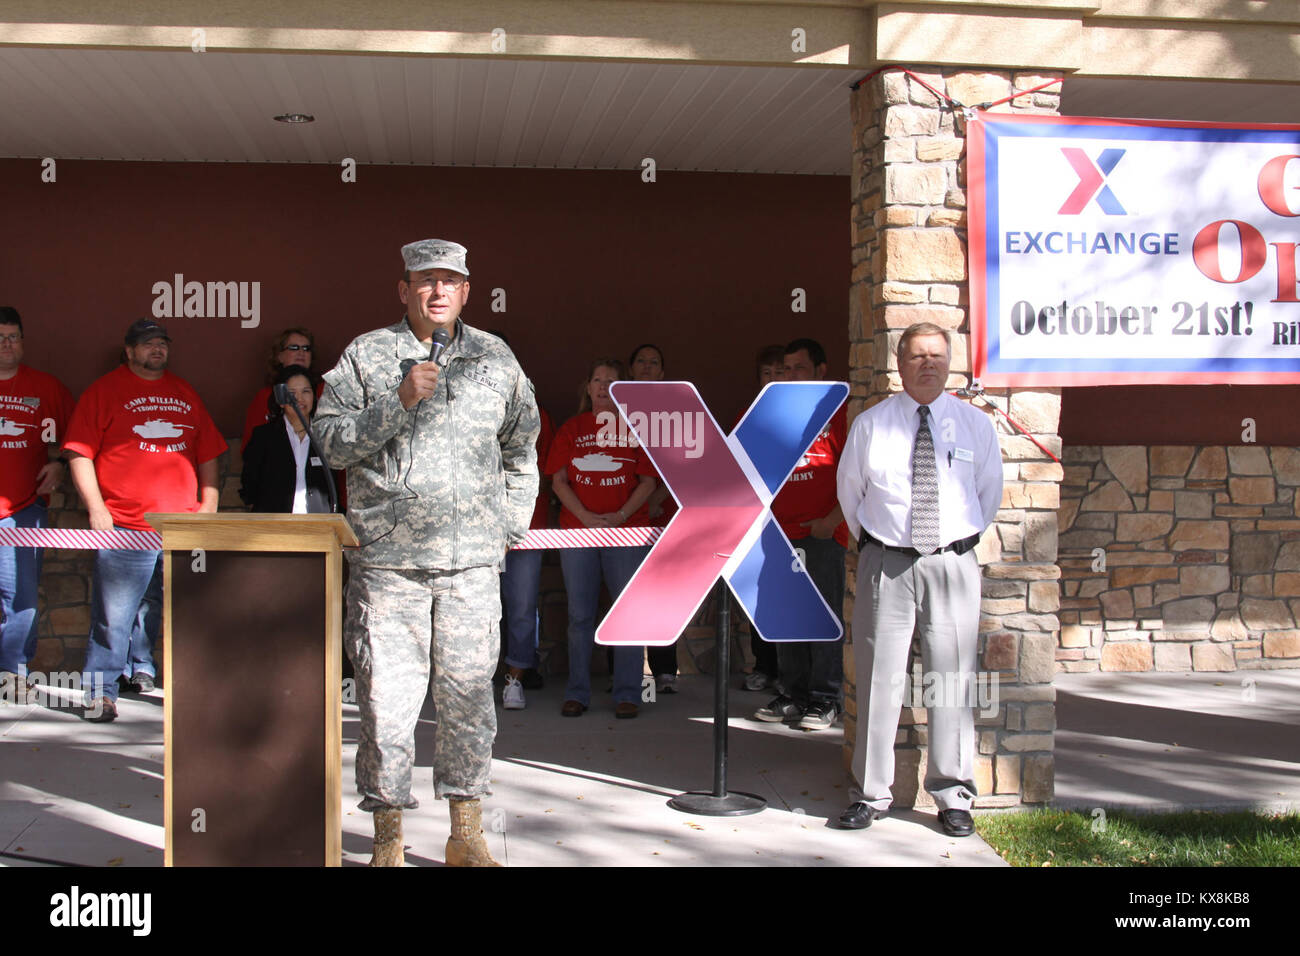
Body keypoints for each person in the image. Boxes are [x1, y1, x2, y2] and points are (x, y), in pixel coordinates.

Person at [313, 239, 539, 868]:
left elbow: (523, 445)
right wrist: (398, 401)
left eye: (450, 280)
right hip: (391, 569)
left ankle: (465, 834)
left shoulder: (495, 356)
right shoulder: (368, 354)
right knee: (386, 700)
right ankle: (388, 838)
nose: (437, 291)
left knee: (469, 699)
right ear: (403, 289)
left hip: (470, 567)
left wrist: (508, 524)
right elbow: (330, 442)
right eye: (424, 280)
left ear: (467, 291)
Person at [833, 322, 1002, 837]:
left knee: (950, 680)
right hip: (888, 564)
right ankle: (871, 794)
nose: (927, 363)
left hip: (952, 563)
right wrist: (884, 547)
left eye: (936, 355)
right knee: (880, 677)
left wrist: (949, 543)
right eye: (916, 356)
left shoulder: (974, 425)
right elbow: (851, 494)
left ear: (949, 362)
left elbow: (987, 494)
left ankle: (953, 795)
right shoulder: (871, 425)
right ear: (899, 363)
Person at [64, 319, 225, 721]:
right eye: (148, 344)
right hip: (126, 525)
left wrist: (209, 505)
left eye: (162, 344)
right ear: (129, 350)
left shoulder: (184, 391)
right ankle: (99, 693)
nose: (157, 349)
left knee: (183, 612)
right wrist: (96, 508)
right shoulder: (104, 391)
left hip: (180, 526)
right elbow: (79, 452)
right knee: (114, 615)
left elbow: (207, 452)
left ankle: (187, 690)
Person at [546, 359, 655, 719]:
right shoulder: (572, 428)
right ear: (588, 387)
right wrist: (587, 518)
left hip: (628, 532)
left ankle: (627, 692)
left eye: (612, 380)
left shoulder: (636, 428)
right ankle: (578, 691)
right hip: (579, 533)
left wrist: (620, 517)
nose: (603, 385)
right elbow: (558, 480)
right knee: (580, 615)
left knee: (627, 612)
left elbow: (648, 482)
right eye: (597, 379)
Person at [752, 338, 848, 732]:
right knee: (787, 615)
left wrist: (833, 519)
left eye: (799, 368)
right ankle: (793, 695)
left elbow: (860, 473)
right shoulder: (768, 410)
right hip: (779, 534)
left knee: (822, 617)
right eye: (786, 368)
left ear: (820, 371)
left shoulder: (838, 412)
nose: (791, 375)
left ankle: (825, 700)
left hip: (821, 534)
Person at [0, 307, 75, 706]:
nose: (6, 344)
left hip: (23, 510)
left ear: (23, 342)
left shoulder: (46, 387)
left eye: (13, 336)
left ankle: (13, 673)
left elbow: (78, 435)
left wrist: (60, 464)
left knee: (20, 597)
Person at [627, 343, 679, 693]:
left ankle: (663, 671)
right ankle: (628, 675)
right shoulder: (616, 409)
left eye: (654, 363)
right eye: (641, 362)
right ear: (632, 370)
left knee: (661, 593)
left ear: (662, 373)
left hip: (663, 516)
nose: (647, 367)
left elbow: (683, 464)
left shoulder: (674, 412)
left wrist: (658, 498)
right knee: (626, 593)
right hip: (626, 519)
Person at [742, 344, 786, 693]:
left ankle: (792, 676)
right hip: (759, 527)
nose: (773, 379)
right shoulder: (749, 417)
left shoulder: (807, 414)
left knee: (795, 603)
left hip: (800, 530)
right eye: (766, 373)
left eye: (780, 372)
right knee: (762, 600)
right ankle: (764, 666)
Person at [239, 366, 333, 514]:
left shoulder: (326, 435)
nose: (299, 398)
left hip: (318, 525)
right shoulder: (264, 436)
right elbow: (250, 483)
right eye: (291, 393)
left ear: (315, 396)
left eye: (306, 391)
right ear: (280, 399)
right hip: (274, 526)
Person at [240, 327, 318, 453]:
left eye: (306, 348)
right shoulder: (264, 397)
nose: (301, 352)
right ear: (280, 356)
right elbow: (250, 447)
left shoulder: (324, 392)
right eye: (294, 348)